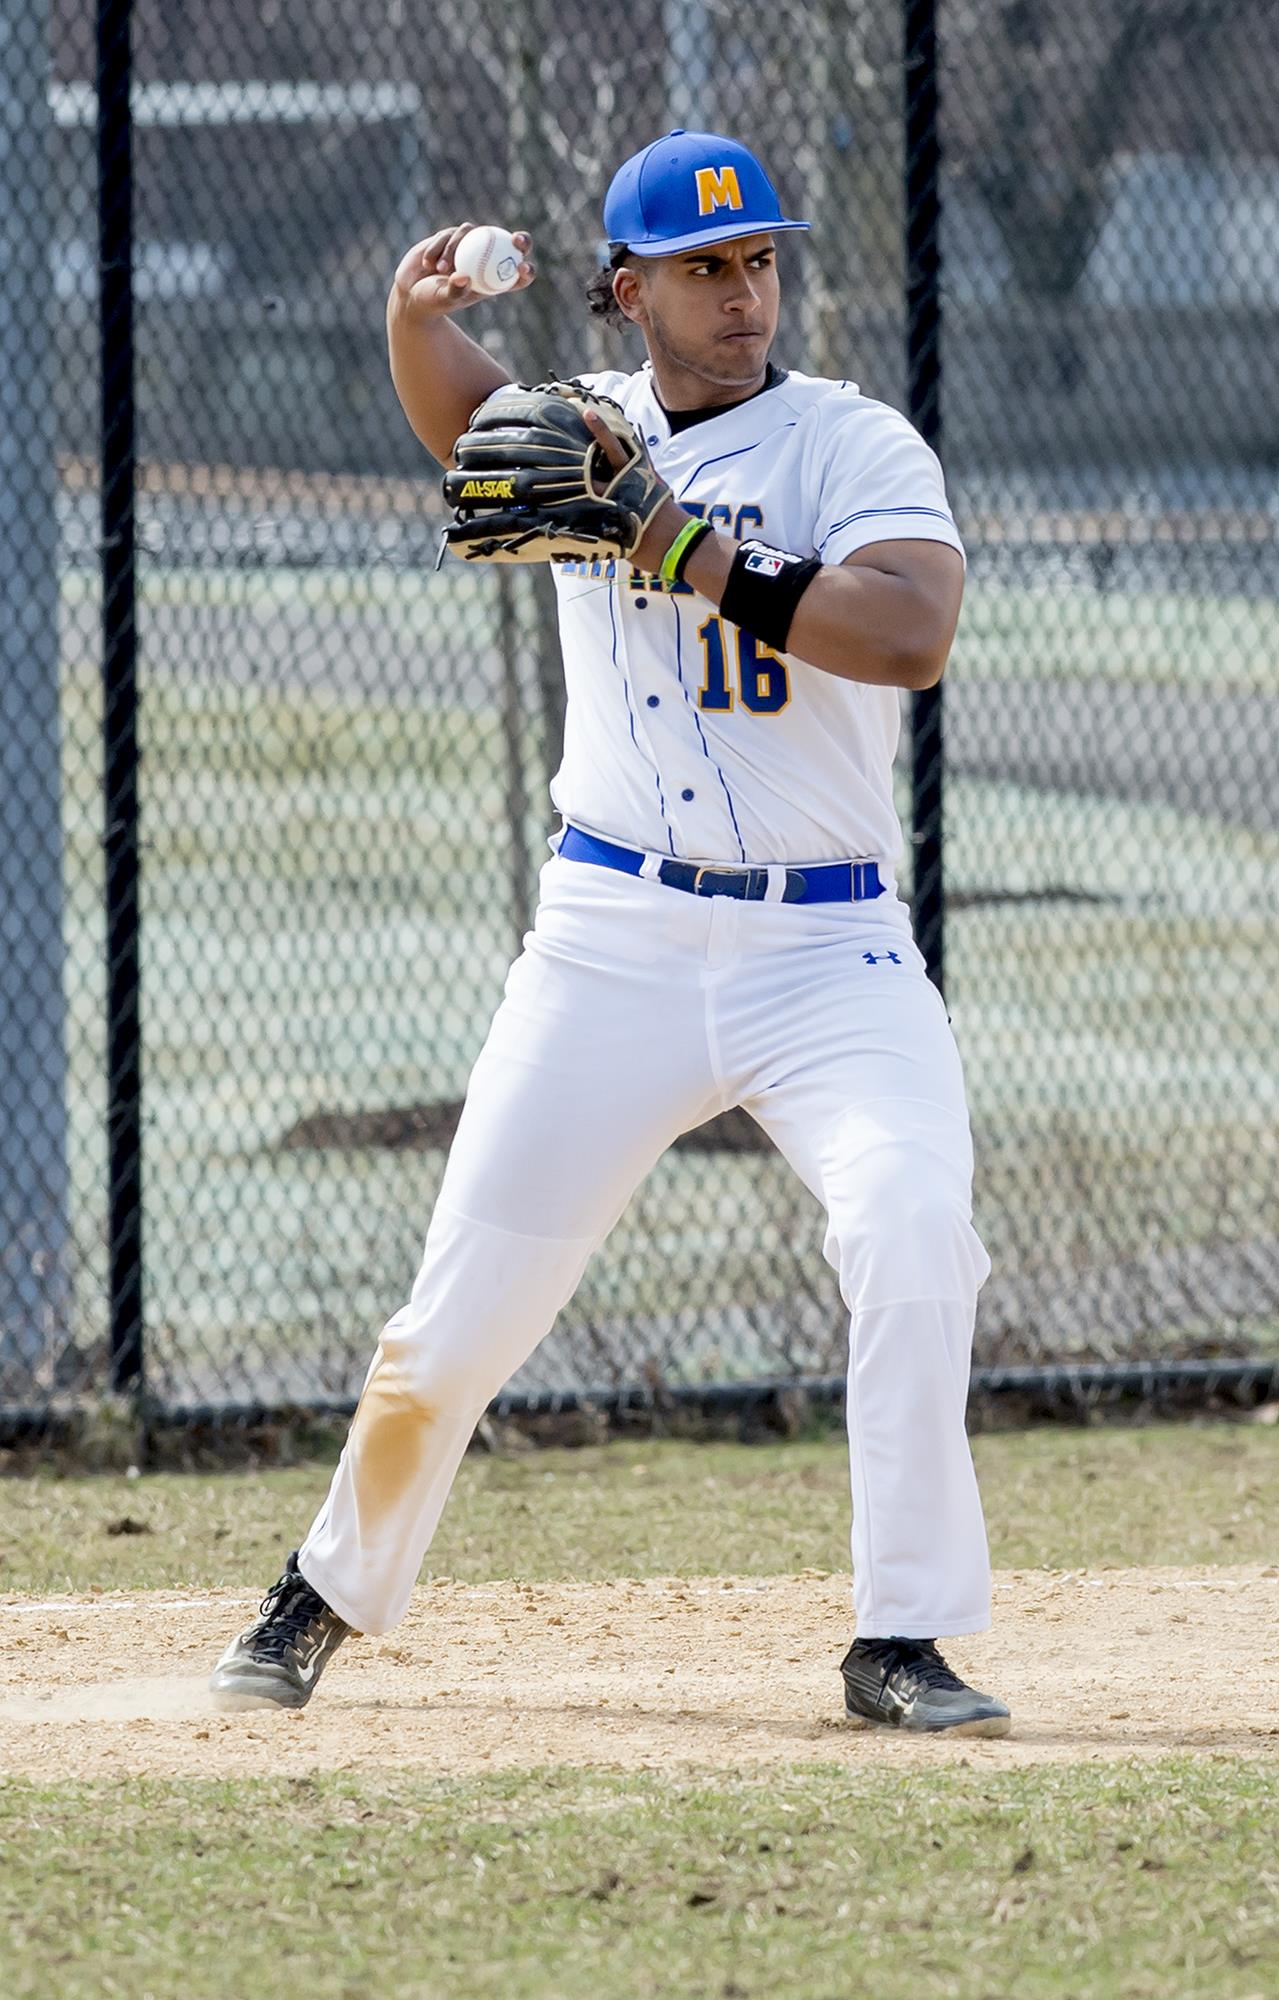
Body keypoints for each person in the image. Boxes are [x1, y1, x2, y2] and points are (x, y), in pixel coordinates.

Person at [210, 129, 1010, 1737]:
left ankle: (901, 1639)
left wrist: (677, 544)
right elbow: (464, 421)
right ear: (628, 289)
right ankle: (322, 1591)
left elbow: (909, 635)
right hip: (611, 937)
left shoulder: (848, 442)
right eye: (705, 268)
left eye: (759, 260)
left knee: (913, 1228)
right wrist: (409, 317)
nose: (743, 294)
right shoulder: (587, 432)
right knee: (464, 1301)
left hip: (824, 949)